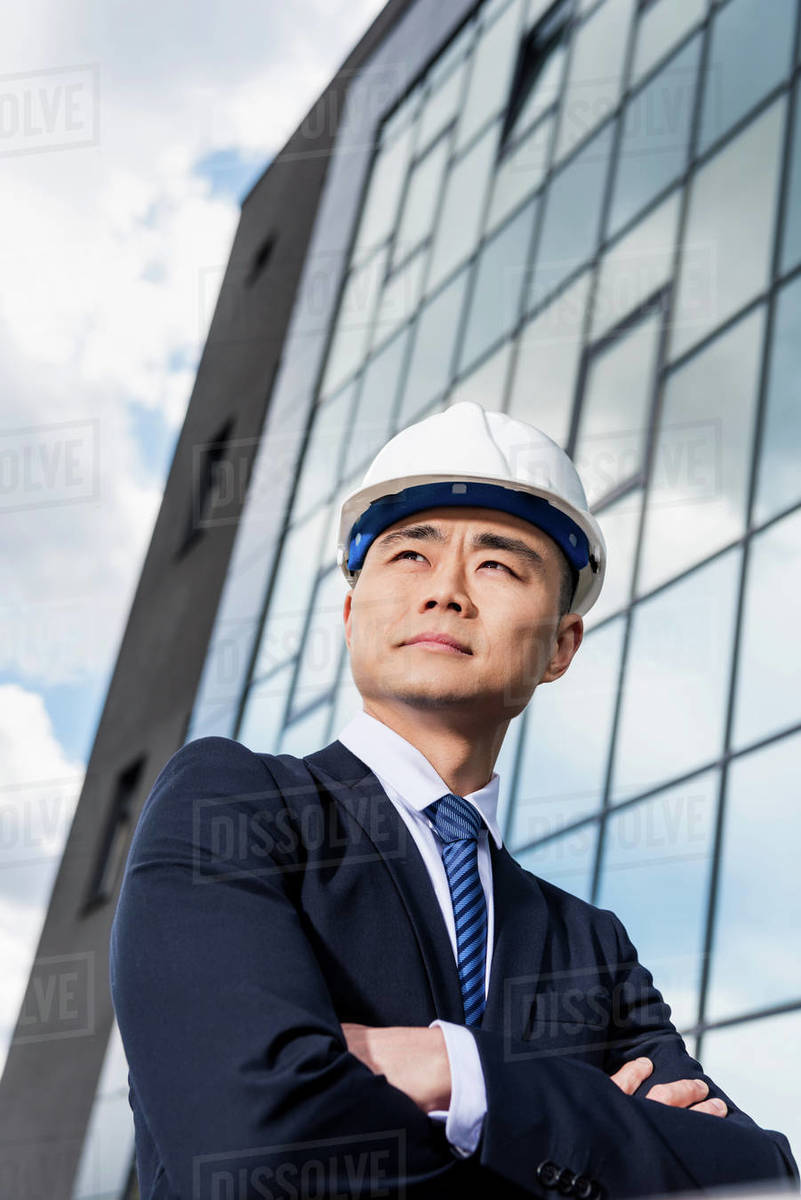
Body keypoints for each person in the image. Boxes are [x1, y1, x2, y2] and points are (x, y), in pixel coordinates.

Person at [110, 401, 799, 1199]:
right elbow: (252, 1148)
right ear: (349, 611)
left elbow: (755, 1181)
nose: (445, 592)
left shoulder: (590, 946)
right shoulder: (235, 804)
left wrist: (451, 1071)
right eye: (408, 556)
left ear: (559, 647)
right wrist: (579, 1136)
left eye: (498, 566)